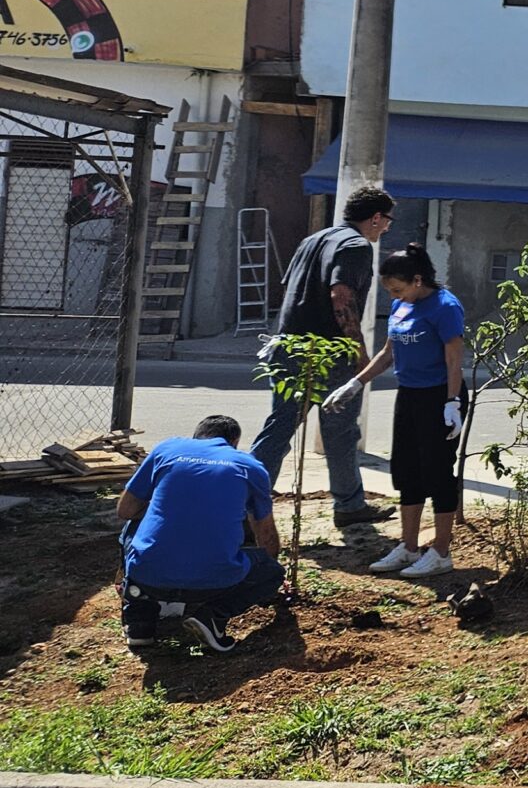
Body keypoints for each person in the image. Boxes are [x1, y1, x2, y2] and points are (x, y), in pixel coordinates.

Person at [249, 187, 397, 537]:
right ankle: (349, 506)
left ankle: (245, 503)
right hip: (328, 352)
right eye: (387, 221)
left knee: (279, 426)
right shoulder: (356, 246)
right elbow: (341, 295)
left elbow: (292, 290)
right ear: (376, 218)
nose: (388, 228)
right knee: (341, 431)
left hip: (288, 346)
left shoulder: (313, 240)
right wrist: (358, 350)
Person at [327, 243, 468, 580]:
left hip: (439, 396)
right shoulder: (400, 305)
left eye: (398, 289)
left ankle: (441, 551)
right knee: (407, 471)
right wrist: (356, 384)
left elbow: (454, 360)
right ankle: (408, 546)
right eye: (390, 290)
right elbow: (388, 352)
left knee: (438, 471)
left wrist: (452, 402)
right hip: (409, 394)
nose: (394, 296)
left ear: (418, 280)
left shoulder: (445, 307)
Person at [119, 415, 284, 654]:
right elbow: (266, 534)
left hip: (149, 577)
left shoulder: (167, 449)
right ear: (234, 442)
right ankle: (212, 616)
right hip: (216, 584)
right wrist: (265, 577)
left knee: (133, 526)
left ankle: (139, 620)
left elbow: (125, 510)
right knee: (271, 572)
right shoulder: (250, 466)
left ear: (196, 436)